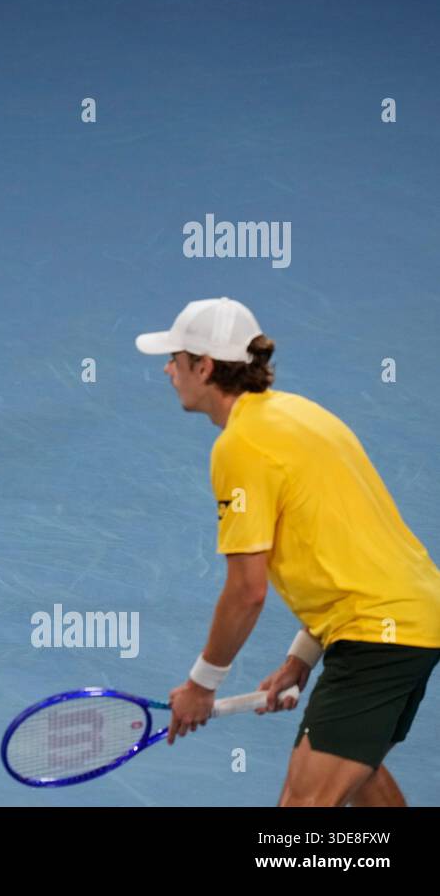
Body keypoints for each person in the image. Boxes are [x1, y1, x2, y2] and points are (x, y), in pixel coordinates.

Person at [136, 297, 440, 806]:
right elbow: (346, 547)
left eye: (177, 358)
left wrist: (201, 685)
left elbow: (247, 591)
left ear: (205, 367)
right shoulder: (300, 414)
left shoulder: (240, 446)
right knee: (359, 776)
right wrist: (301, 658)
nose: (168, 369)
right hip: (412, 615)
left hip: (377, 635)